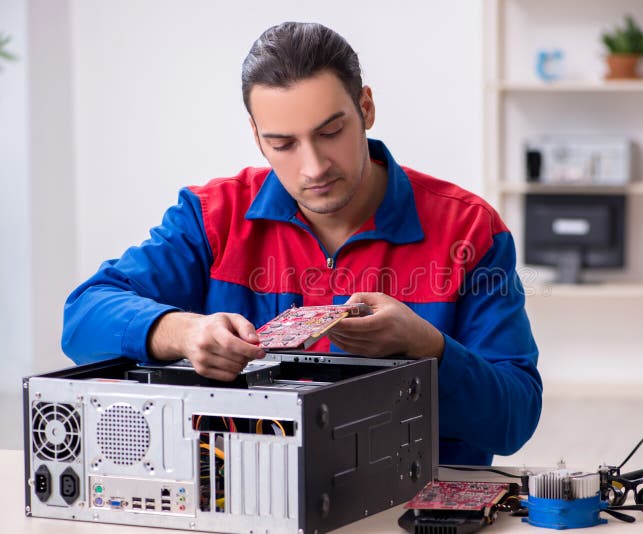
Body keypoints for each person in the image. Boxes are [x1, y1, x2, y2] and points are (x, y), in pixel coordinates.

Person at [62, 21, 542, 466]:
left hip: (413, 501)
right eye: (283, 144)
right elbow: (83, 315)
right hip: (243, 487)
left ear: (366, 109)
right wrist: (182, 332)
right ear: (257, 136)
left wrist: (430, 350)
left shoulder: (471, 230)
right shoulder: (212, 217)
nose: (313, 167)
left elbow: (515, 418)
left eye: (331, 132)